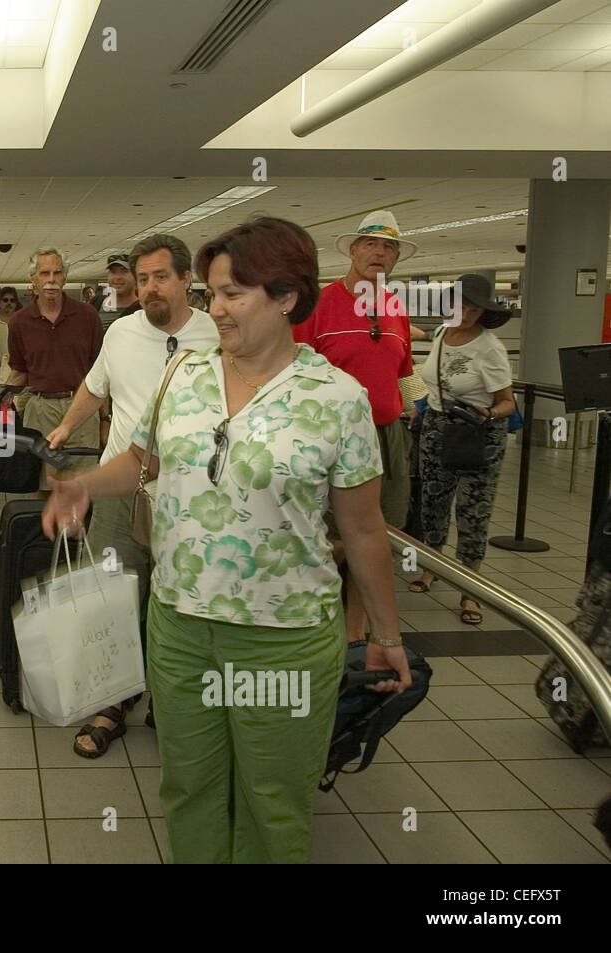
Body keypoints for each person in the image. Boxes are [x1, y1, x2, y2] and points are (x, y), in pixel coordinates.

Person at [42, 217, 410, 863]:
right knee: (191, 787)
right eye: (212, 293)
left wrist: (384, 634)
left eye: (233, 294)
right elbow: (142, 461)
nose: (215, 309)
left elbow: (362, 527)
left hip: (282, 636)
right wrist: (85, 484)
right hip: (181, 627)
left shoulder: (337, 398)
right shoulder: (185, 373)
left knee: (272, 796)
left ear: (288, 296)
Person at [46, 233, 220, 758]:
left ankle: (170, 701)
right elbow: (96, 387)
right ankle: (116, 702)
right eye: (142, 279)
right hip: (124, 489)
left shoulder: (217, 335)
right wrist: (66, 428)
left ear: (188, 280)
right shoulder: (119, 333)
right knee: (115, 597)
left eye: (161, 277)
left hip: (191, 496)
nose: (150, 289)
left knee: (179, 606)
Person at [293, 209, 416, 642]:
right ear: (353, 250)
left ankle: (356, 629)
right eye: (371, 244)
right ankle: (314, 616)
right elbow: (295, 371)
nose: (379, 253)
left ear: (396, 258)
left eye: (389, 247)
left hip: (387, 435)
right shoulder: (320, 305)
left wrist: (415, 405)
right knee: (330, 532)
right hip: (331, 436)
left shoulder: (396, 308)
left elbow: (404, 370)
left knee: (382, 531)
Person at [408, 274, 515, 625]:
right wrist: (421, 406)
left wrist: (487, 414)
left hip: (477, 434)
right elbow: (437, 384)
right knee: (433, 506)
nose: (463, 312)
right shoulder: (440, 333)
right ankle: (432, 569)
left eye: (472, 307)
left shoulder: (489, 348)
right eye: (459, 303)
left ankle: (472, 591)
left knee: (472, 513)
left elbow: (507, 403)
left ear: (482, 312)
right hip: (436, 428)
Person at [6, 248, 104, 485]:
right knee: (42, 483)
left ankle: (76, 524)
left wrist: (106, 419)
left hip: (81, 407)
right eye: (44, 273)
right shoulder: (19, 322)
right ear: (34, 280)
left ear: (65, 278)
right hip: (39, 410)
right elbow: (20, 371)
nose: (51, 280)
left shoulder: (87, 316)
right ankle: (43, 524)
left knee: (82, 485)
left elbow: (101, 373)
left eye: (57, 273)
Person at [95, 252, 142, 331]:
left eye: (124, 271)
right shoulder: (97, 303)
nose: (117, 277)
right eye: (113, 272)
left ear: (136, 276)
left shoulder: (143, 310)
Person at [0, 285, 19, 391]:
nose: (9, 303)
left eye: (12, 300)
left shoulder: (22, 322)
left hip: (17, 373)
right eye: (5, 300)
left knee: (15, 406)